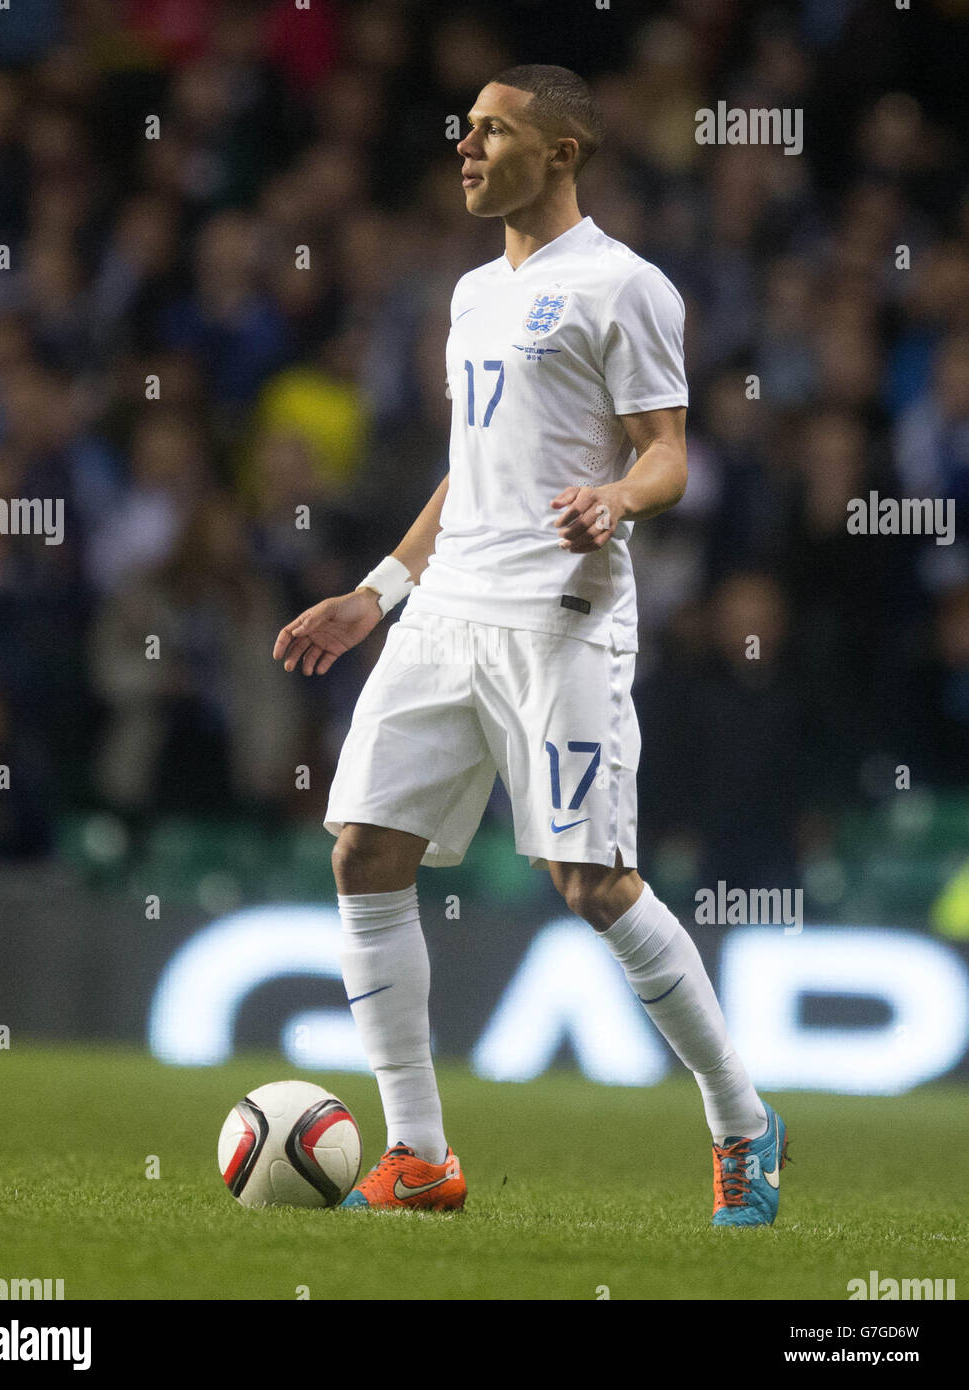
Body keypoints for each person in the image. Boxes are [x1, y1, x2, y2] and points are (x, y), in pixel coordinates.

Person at [273, 65, 787, 1225]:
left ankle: (743, 1123)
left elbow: (669, 452)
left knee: (593, 884)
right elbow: (477, 470)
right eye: (465, 130)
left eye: (494, 131)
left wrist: (618, 498)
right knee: (363, 851)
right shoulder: (467, 294)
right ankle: (419, 1155)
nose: (466, 147)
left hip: (560, 617)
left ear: (562, 153)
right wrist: (379, 589)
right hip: (446, 607)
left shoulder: (626, 286)